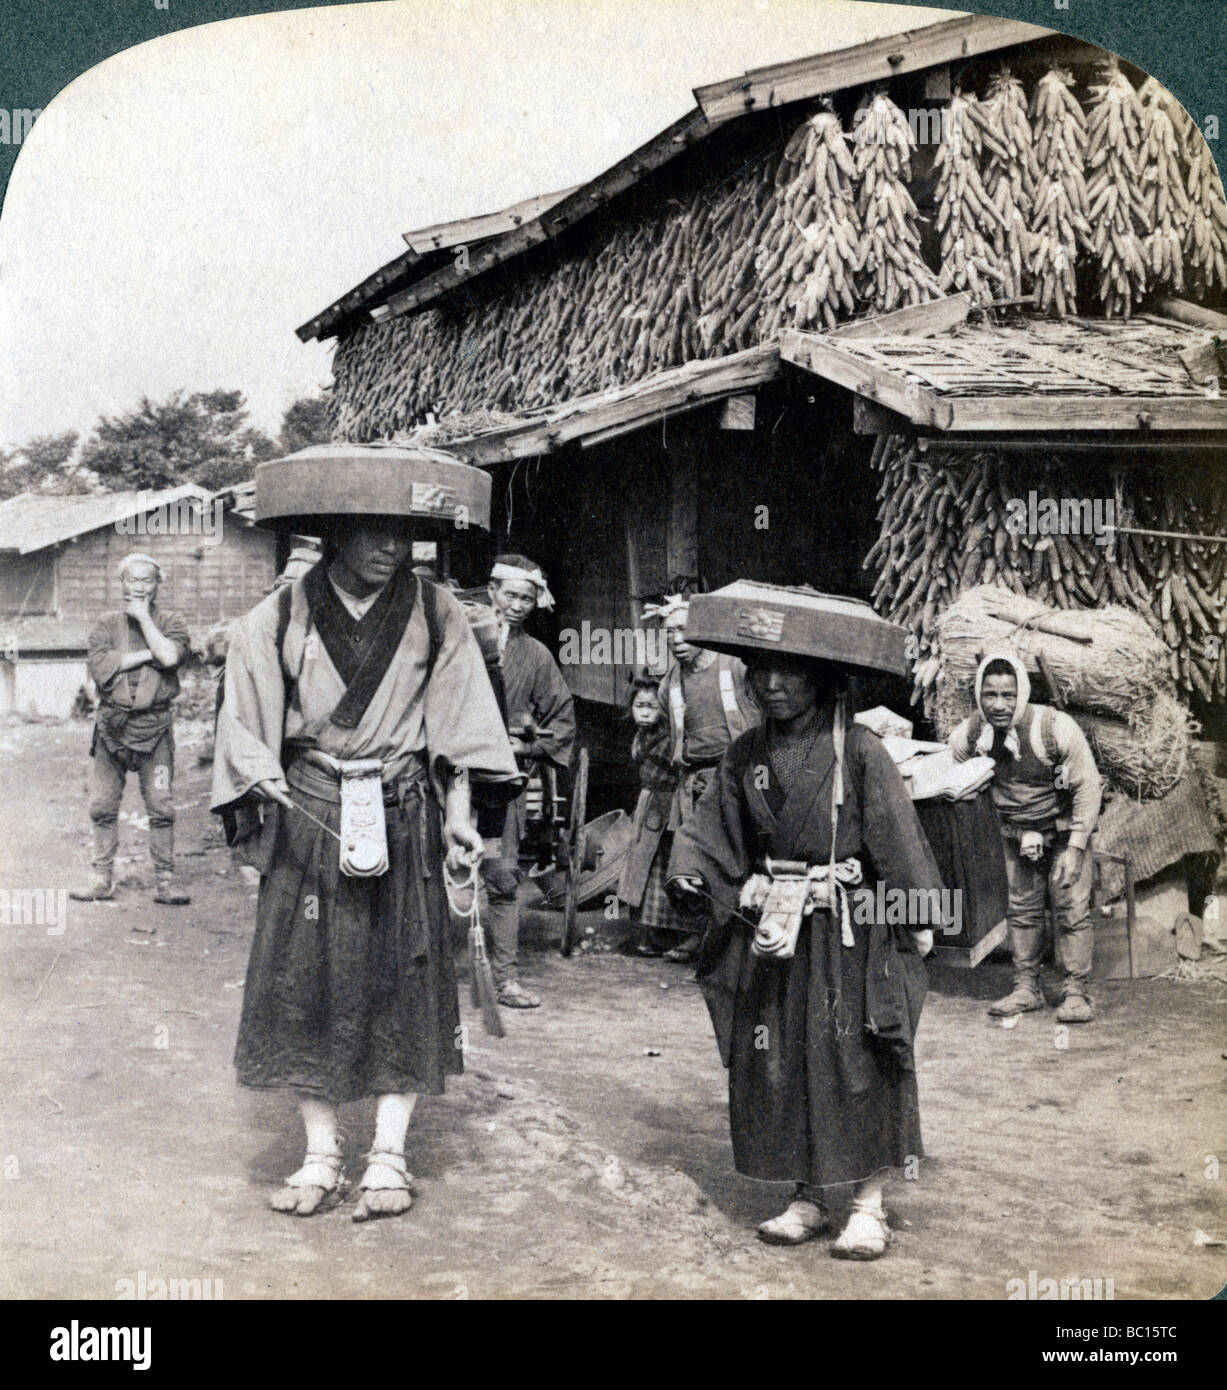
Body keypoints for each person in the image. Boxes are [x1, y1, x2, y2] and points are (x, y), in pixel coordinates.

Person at [212, 445, 521, 1221]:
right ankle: (320, 1154)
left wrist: (458, 816)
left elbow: (457, 725)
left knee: (404, 977)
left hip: (404, 808)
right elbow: (244, 727)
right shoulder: (274, 615)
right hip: (311, 808)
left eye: (405, 535)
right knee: (305, 980)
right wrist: (265, 786)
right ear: (335, 532)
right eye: (375, 531)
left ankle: (388, 1154)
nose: (394, 548)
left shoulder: (436, 609)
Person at [667, 582, 942, 1260]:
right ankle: (809, 1195)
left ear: (822, 677)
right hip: (777, 933)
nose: (772, 682)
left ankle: (868, 1204)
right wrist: (695, 869)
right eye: (760, 667)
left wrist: (913, 917)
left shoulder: (860, 751)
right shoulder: (745, 754)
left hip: (848, 933)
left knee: (856, 1058)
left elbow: (899, 845)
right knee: (781, 1055)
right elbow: (712, 832)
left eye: (789, 669)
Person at [948, 651, 1102, 1023]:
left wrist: (1077, 847)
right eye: (989, 695)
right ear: (978, 696)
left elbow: (1088, 787)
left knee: (1071, 910)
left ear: (1022, 693)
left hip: (1064, 830)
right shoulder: (971, 734)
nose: (999, 705)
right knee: (1022, 911)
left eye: (1007, 694)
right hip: (1015, 835)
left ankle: (1076, 992)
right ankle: (1026, 988)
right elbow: (951, 779)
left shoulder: (1053, 728)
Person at [480, 553, 577, 1008]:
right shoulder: (458, 642)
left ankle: (505, 980)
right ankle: (421, 975)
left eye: (527, 598)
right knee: (429, 874)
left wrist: (526, 747)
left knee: (502, 876)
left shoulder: (536, 656)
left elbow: (562, 720)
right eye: (511, 595)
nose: (518, 605)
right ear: (491, 593)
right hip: (448, 780)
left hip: (500, 785)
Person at [72, 553, 192, 906]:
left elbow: (170, 657)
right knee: (102, 805)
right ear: (121, 583)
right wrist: (145, 654)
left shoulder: (172, 622)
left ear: (157, 585)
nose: (139, 587)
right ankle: (101, 878)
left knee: (161, 805)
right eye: (132, 580)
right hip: (111, 731)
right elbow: (102, 667)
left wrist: (144, 621)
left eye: (147, 580)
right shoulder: (105, 626)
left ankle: (165, 881)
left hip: (155, 733)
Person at [646, 593, 755, 962]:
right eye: (668, 633)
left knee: (741, 856)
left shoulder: (736, 667)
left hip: (738, 775)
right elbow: (668, 728)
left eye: (683, 630)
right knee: (692, 858)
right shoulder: (670, 683)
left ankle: (740, 938)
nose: (675, 639)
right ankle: (698, 934)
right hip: (692, 779)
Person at [617, 672, 683, 955]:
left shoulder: (670, 737)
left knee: (662, 866)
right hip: (649, 801)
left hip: (667, 804)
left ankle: (668, 936)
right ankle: (649, 935)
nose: (644, 713)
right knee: (643, 865)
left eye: (651, 706)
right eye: (639, 706)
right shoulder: (640, 736)